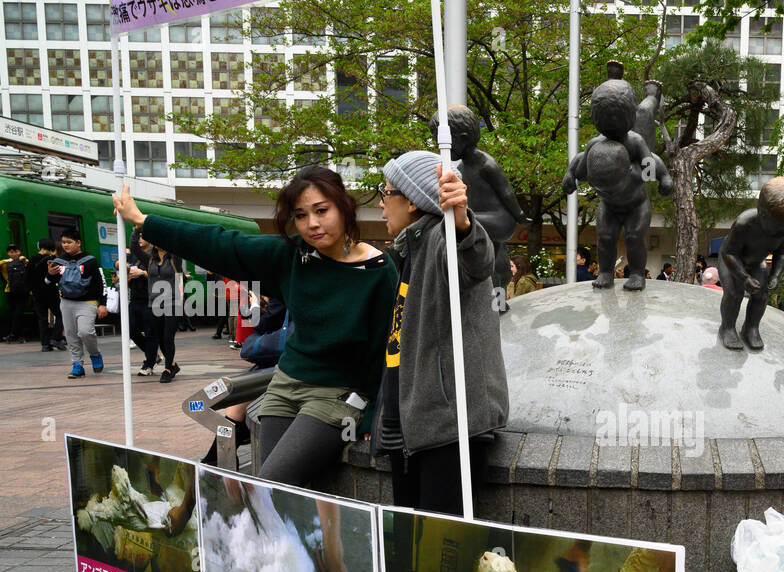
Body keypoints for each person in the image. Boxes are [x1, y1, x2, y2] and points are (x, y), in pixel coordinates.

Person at [114, 165, 398, 488]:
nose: (313, 224)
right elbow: (221, 244)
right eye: (301, 215)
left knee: (269, 484)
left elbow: (387, 349)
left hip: (338, 396)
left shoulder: (378, 270)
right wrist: (145, 222)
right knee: (281, 495)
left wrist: (375, 412)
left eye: (322, 210)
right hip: (286, 384)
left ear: (344, 206)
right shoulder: (293, 256)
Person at [375, 150, 507, 515]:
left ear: (414, 202)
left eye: (386, 194)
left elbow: (475, 260)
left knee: (441, 550)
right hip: (411, 424)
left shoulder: (440, 239)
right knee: (411, 542)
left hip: (449, 428)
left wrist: (462, 222)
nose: (382, 207)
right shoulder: (408, 248)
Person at [45, 230, 107, 378]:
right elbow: (47, 282)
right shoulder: (59, 261)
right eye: (63, 242)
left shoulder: (90, 261)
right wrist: (50, 274)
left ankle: (95, 354)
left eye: (69, 242)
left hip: (87, 303)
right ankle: (77, 365)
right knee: (71, 335)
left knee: (86, 332)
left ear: (78, 243)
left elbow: (100, 283)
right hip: (66, 302)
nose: (66, 245)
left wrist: (103, 304)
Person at [141, 237, 186, 383]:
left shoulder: (174, 258)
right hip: (154, 303)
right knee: (159, 337)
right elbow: (135, 248)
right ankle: (173, 365)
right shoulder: (149, 259)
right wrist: (136, 230)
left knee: (168, 337)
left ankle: (167, 369)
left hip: (173, 302)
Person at [118, 231, 156, 375]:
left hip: (151, 299)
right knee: (131, 330)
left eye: (142, 236)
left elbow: (162, 275)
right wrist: (128, 276)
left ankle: (149, 363)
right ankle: (152, 355)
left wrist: (143, 273)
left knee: (150, 332)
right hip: (135, 298)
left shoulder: (155, 254)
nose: (139, 239)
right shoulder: (134, 256)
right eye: (138, 237)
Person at [30, 238, 66, 351]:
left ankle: (45, 345)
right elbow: (57, 277)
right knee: (61, 314)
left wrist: (32, 291)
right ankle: (55, 337)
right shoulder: (53, 260)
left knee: (42, 318)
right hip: (51, 293)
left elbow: (27, 278)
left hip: (37, 294)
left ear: (40, 246)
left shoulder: (32, 259)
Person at [3, 244, 30, 343]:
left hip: (21, 291)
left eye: (16, 251)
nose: (14, 254)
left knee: (18, 313)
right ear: (8, 253)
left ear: (19, 252)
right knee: (15, 314)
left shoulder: (24, 261)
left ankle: (14, 334)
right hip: (11, 290)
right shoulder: (4, 263)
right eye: (11, 252)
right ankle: (18, 336)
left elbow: (29, 264)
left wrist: (23, 259)